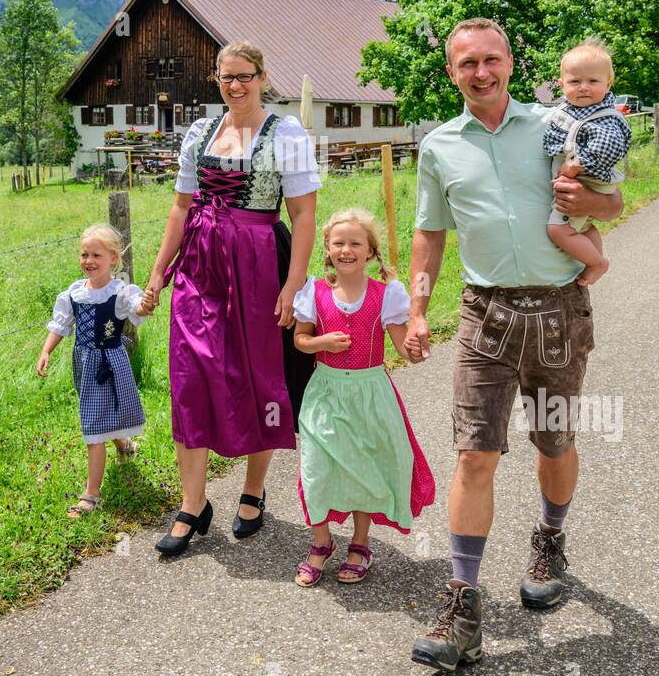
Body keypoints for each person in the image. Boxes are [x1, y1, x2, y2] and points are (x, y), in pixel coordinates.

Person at [405, 18, 623, 671]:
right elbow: (429, 233)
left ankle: (550, 538)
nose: (481, 72)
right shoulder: (439, 146)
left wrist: (591, 205)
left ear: (508, 61)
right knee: (475, 455)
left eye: (491, 59)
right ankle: (462, 604)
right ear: (452, 72)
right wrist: (417, 310)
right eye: (467, 62)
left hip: (558, 314)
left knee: (554, 441)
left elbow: (610, 204)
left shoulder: (555, 126)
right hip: (484, 317)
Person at [145, 41, 319, 557]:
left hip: (260, 260)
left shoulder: (284, 134)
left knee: (257, 374)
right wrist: (159, 272)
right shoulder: (200, 133)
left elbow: (304, 216)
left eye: (245, 76)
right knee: (190, 378)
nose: (235, 86)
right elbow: (181, 208)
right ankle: (193, 503)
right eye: (226, 78)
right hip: (200, 265)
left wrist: (294, 284)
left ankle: (253, 489)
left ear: (263, 77)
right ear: (216, 79)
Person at [291, 208, 435, 586]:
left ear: (370, 252)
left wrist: (415, 348)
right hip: (325, 390)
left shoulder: (386, 295)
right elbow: (300, 340)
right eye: (338, 243)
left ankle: (360, 543)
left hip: (370, 392)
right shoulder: (315, 291)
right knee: (316, 468)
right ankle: (321, 543)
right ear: (327, 249)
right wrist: (321, 342)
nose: (346, 250)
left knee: (364, 468)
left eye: (356, 243)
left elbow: (402, 348)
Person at [37, 224, 152, 518]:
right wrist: (46, 350)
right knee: (97, 414)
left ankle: (92, 493)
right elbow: (61, 325)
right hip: (86, 366)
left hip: (112, 365)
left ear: (113, 258)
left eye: (96, 255)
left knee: (95, 425)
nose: (88, 260)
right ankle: (124, 444)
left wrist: (145, 305)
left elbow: (136, 309)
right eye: (84, 254)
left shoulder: (119, 292)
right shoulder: (74, 294)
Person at [543, 39, 631, 285]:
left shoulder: (604, 116)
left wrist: (575, 166)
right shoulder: (568, 111)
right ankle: (595, 259)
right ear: (561, 84)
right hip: (582, 180)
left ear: (608, 83)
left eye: (593, 81)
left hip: (588, 180)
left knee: (558, 230)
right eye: (574, 81)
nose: (584, 88)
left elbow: (608, 147)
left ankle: (597, 263)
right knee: (586, 228)